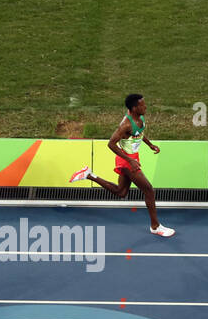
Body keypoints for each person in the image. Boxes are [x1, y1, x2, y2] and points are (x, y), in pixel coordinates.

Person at [68, 93, 174, 237]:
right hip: (126, 160)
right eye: (142, 105)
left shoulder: (140, 117)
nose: (146, 106)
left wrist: (150, 145)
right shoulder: (125, 125)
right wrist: (130, 160)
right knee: (149, 190)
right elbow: (111, 144)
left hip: (133, 158)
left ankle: (89, 174)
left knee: (121, 192)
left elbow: (139, 133)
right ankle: (155, 226)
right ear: (135, 108)